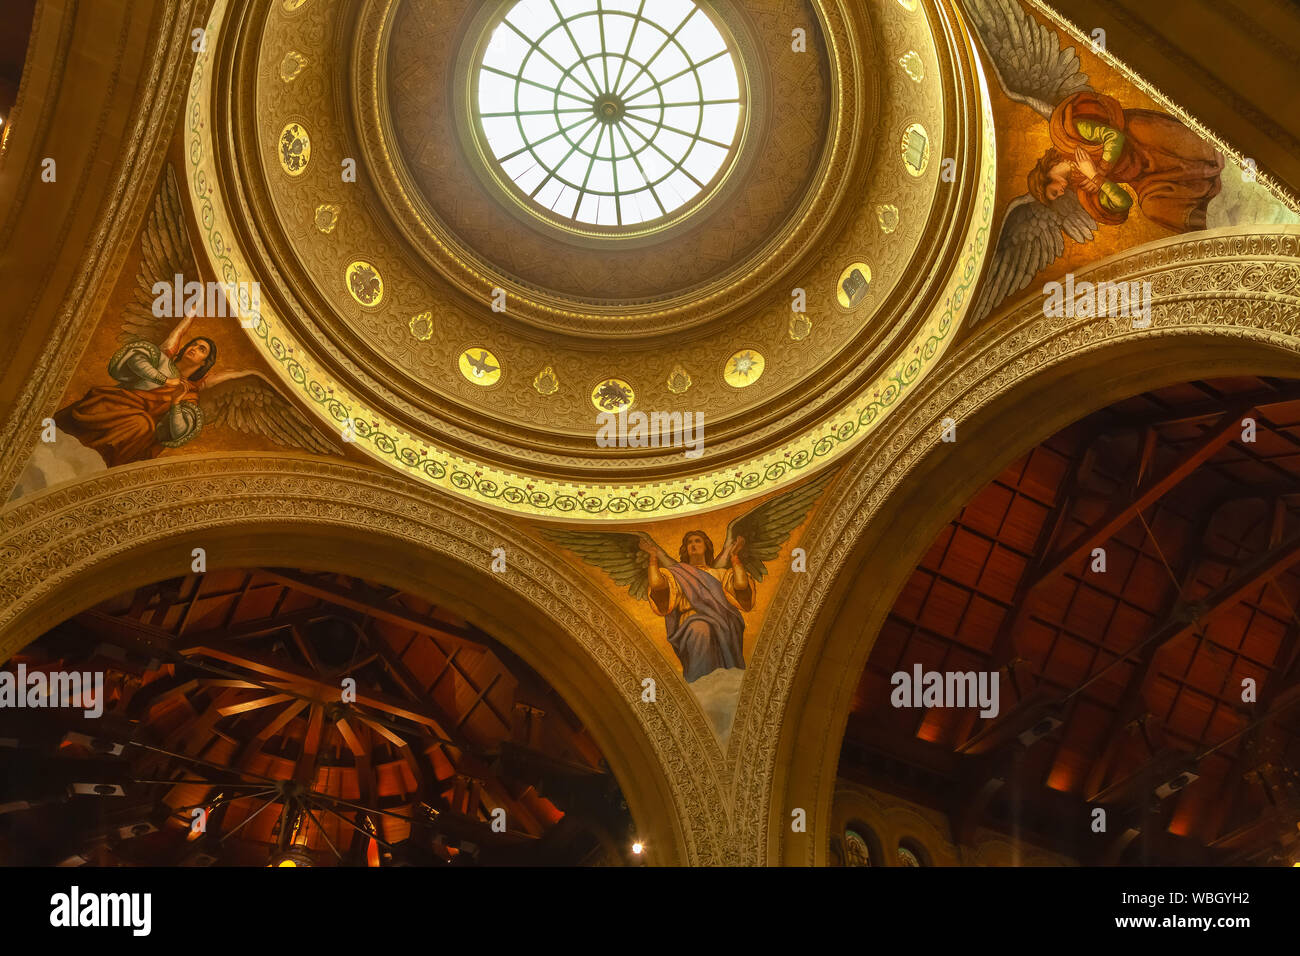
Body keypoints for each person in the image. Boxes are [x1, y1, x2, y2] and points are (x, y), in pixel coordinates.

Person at [1028, 89, 1223, 232]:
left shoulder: (1069, 138)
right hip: (1143, 176)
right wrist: (1097, 178)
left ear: (1047, 175)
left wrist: (1101, 170)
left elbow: (1114, 137)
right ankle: (1218, 228)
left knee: (1200, 149)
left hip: (1139, 138)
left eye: (1054, 192)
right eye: (1058, 196)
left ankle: (1225, 153)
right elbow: (1123, 202)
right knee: (1152, 207)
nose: (1061, 192)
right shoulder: (1083, 186)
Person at [640, 530, 753, 682]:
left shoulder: (719, 573)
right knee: (700, 628)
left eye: (697, 541)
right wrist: (653, 558)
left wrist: (734, 557)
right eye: (689, 542)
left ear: (706, 546)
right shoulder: (678, 574)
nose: (693, 545)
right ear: (685, 548)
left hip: (724, 625)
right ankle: (701, 682)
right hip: (692, 621)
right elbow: (657, 585)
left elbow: (741, 585)